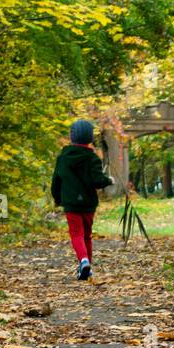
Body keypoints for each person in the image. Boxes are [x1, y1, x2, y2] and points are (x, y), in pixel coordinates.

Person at [51, 120, 113, 280]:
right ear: (90, 138)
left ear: (72, 137)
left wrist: (57, 199)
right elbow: (97, 181)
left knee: (76, 234)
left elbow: (56, 181)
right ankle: (88, 267)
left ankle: (83, 261)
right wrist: (109, 180)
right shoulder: (92, 158)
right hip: (88, 204)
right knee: (87, 235)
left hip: (71, 203)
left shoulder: (63, 158)